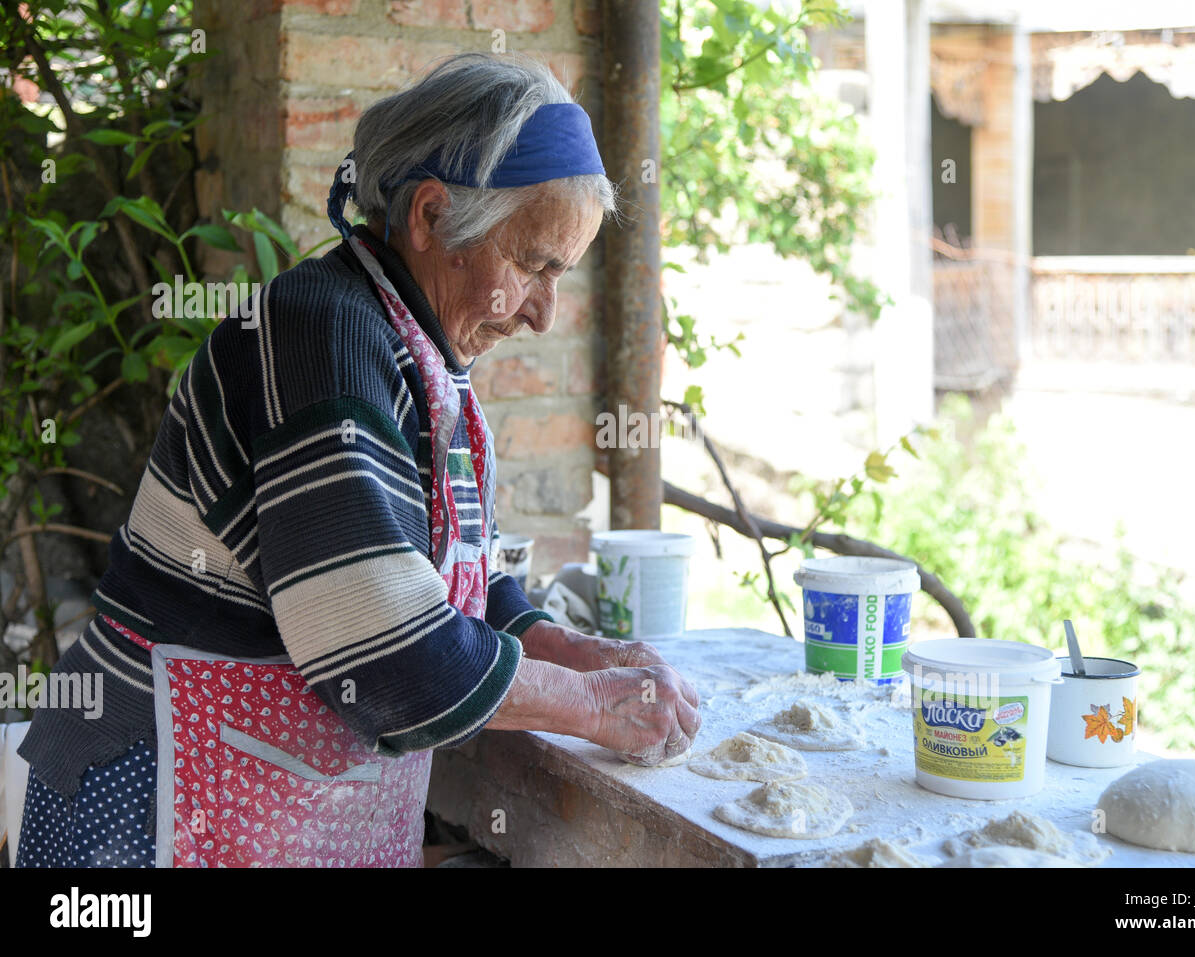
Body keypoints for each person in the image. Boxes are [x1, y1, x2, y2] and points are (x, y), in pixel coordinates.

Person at [16, 52, 700, 868]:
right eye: (532, 265)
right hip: (142, 808)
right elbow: (393, 653)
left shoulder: (411, 346)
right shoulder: (322, 335)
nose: (545, 314)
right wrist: (591, 703)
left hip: (252, 803)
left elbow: (449, 581)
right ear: (432, 215)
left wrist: (569, 648)